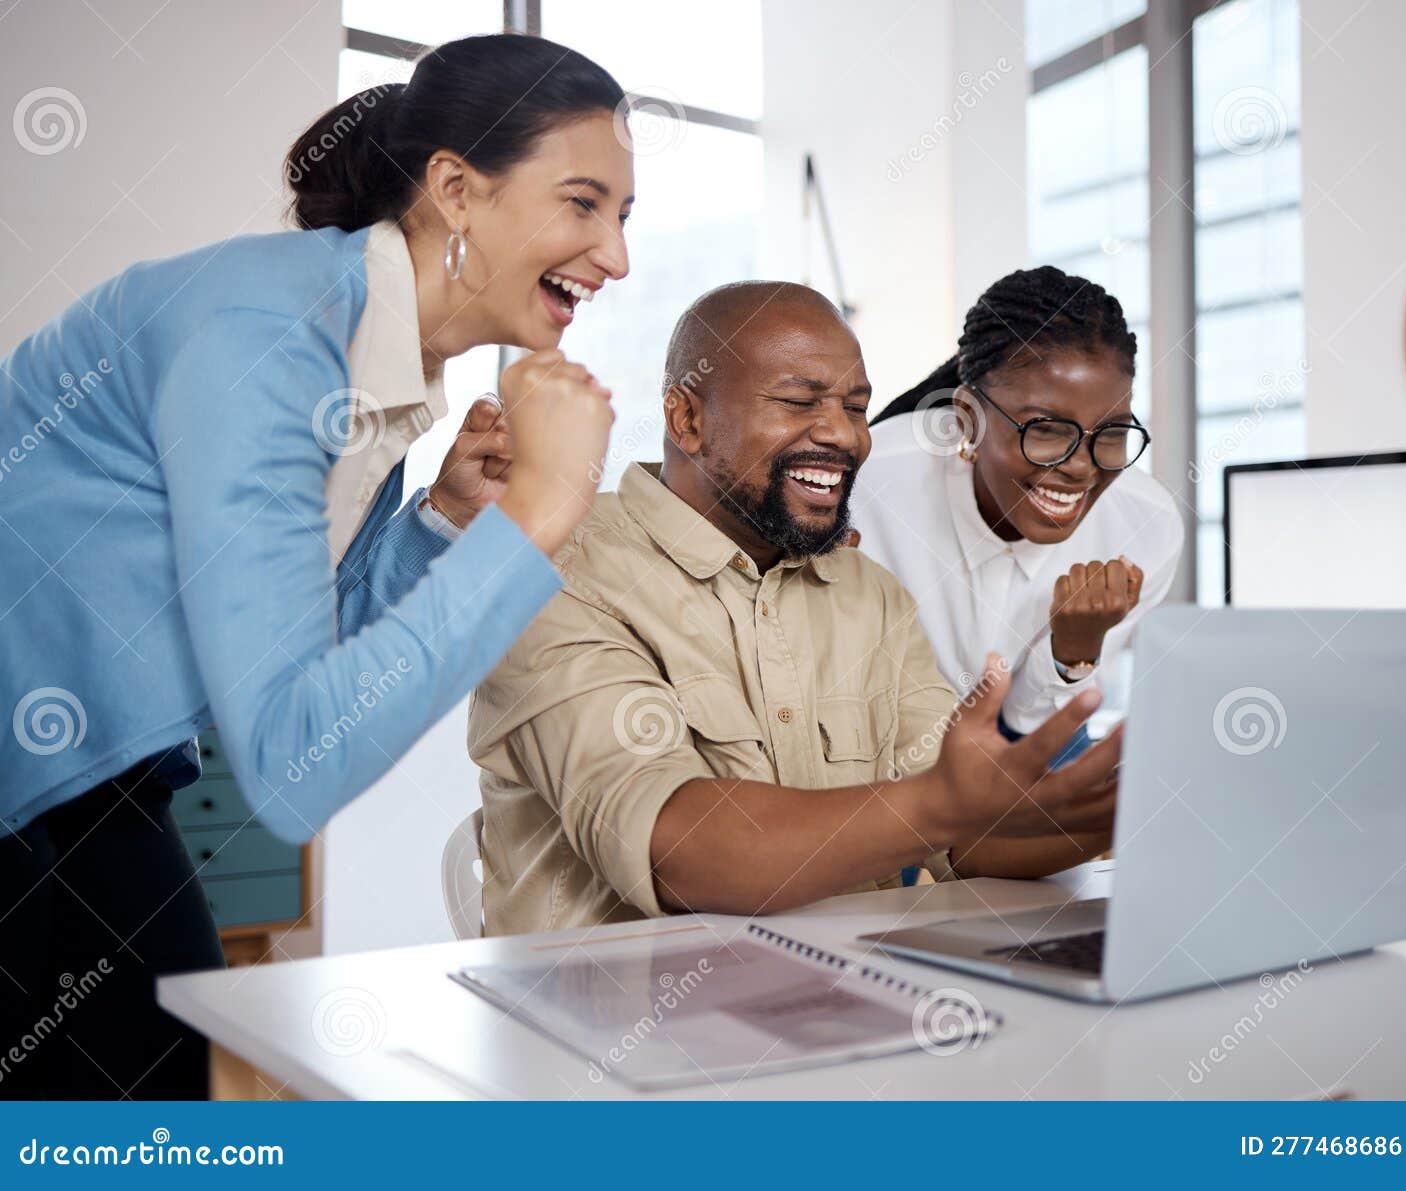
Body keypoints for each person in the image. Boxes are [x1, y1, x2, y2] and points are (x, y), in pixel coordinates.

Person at [0, 34, 631, 1099]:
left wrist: (445, 514)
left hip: (96, 774)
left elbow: (309, 661)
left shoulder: (379, 371)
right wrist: (541, 511)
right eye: (583, 204)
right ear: (454, 191)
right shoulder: (264, 329)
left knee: (167, 1090)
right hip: (42, 767)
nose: (614, 257)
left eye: (622, 218)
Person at [467, 281, 1121, 936]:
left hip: (840, 1006)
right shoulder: (551, 571)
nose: (844, 435)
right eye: (799, 402)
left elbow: (966, 840)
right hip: (605, 1022)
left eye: (856, 407)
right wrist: (938, 806)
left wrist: (1114, 809)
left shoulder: (870, 594)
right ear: (687, 418)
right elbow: (678, 850)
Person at [854, 267, 1184, 778]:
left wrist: (1073, 651)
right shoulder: (871, 486)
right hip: (889, 748)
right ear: (966, 418)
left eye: (1113, 432)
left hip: (1036, 740)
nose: (1082, 466)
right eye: (1047, 430)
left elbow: (1029, 725)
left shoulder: (1146, 527)